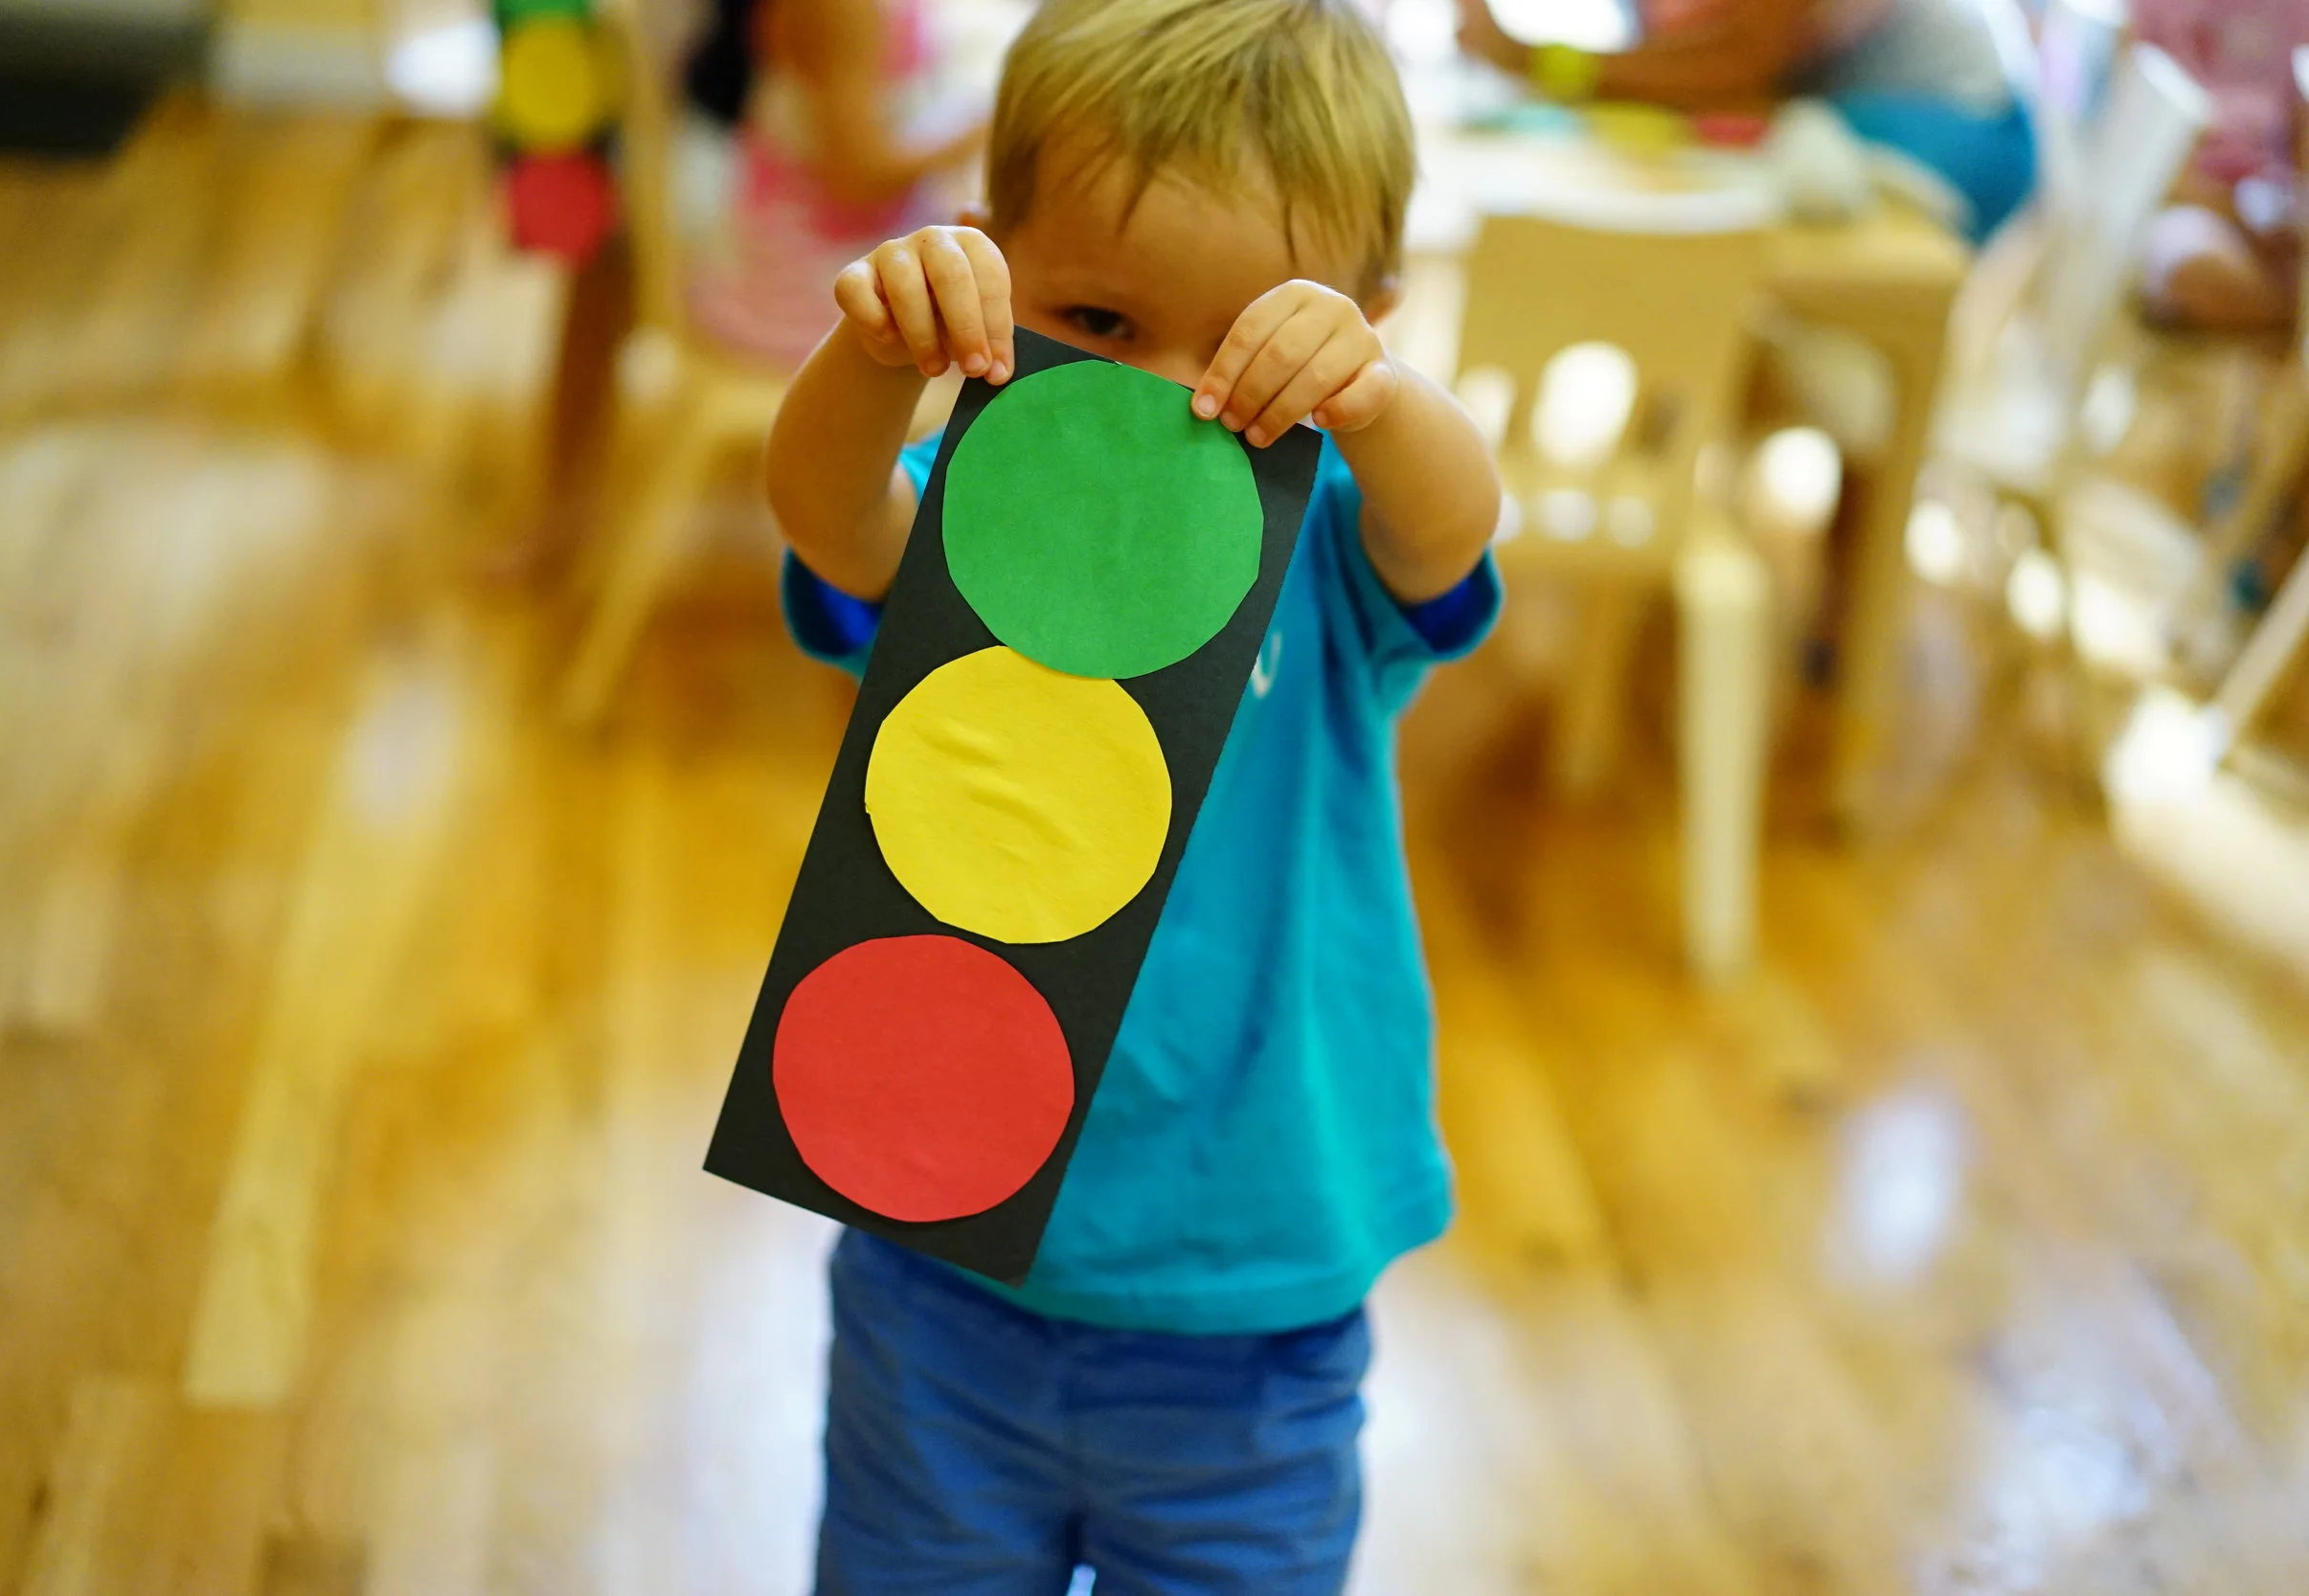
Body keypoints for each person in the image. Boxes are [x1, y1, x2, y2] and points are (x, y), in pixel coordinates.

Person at [760, 0, 1505, 1585]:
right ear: (998, 274)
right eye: (1099, 322)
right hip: (940, 1284)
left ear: (1365, 324)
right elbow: (832, 526)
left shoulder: (1337, 544)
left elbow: (1454, 534)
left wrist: (1376, 405)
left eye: (1249, 347)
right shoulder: (991, 503)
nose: (1172, 400)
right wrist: (871, 353)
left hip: (1257, 1299)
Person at [1455, 0, 2040, 241]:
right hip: (1854, 123)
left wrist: (1541, 60)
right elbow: (1681, 68)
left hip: (1963, 127)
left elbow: (1736, 70)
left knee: (1774, 239)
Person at [672, 0, 987, 366]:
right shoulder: (841, 9)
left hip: (855, 239)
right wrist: (973, 132)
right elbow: (857, 181)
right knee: (1002, 319)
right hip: (809, 281)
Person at [2133, 0, 2308, 332]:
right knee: (2189, 269)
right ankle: (2283, 317)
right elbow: (2143, 153)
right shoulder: (2151, 9)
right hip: (2195, 205)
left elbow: (2302, 125)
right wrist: (2234, 214)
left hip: (2276, 198)